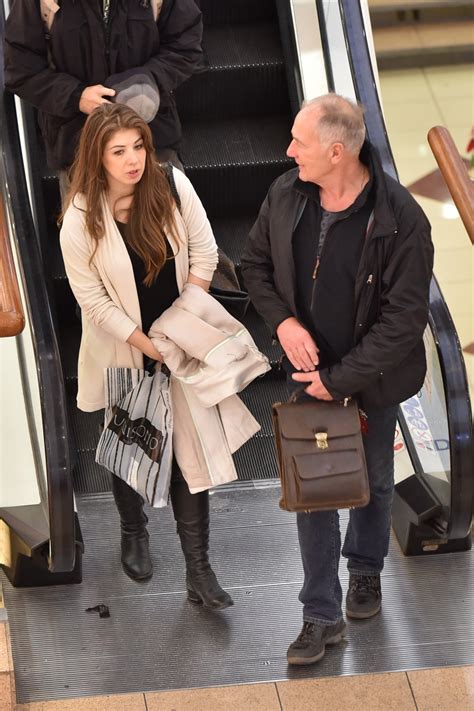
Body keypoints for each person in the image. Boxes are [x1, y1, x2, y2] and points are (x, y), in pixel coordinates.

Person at [241, 94, 434, 663]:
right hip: (308, 378)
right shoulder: (286, 193)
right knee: (315, 491)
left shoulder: (401, 219)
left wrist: (341, 378)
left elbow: (403, 322)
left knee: (373, 478)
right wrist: (284, 323)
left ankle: (366, 567)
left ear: (335, 152)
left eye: (299, 142)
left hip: (373, 378)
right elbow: (253, 266)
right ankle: (320, 615)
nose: (288, 150)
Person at [59, 102, 233, 611]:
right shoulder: (80, 218)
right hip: (123, 349)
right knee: (130, 442)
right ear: (98, 157)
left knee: (188, 456)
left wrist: (181, 325)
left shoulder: (172, 185)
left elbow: (205, 252)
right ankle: (133, 528)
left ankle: (199, 571)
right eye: (118, 151)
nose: (133, 159)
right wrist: (147, 343)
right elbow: (93, 302)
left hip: (178, 342)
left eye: (138, 146)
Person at [4, 0, 202, 182]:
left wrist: (145, 81)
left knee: (168, 209)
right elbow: (20, 69)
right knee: (86, 211)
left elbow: (185, 46)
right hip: (80, 146)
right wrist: (76, 97)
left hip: (150, 139)